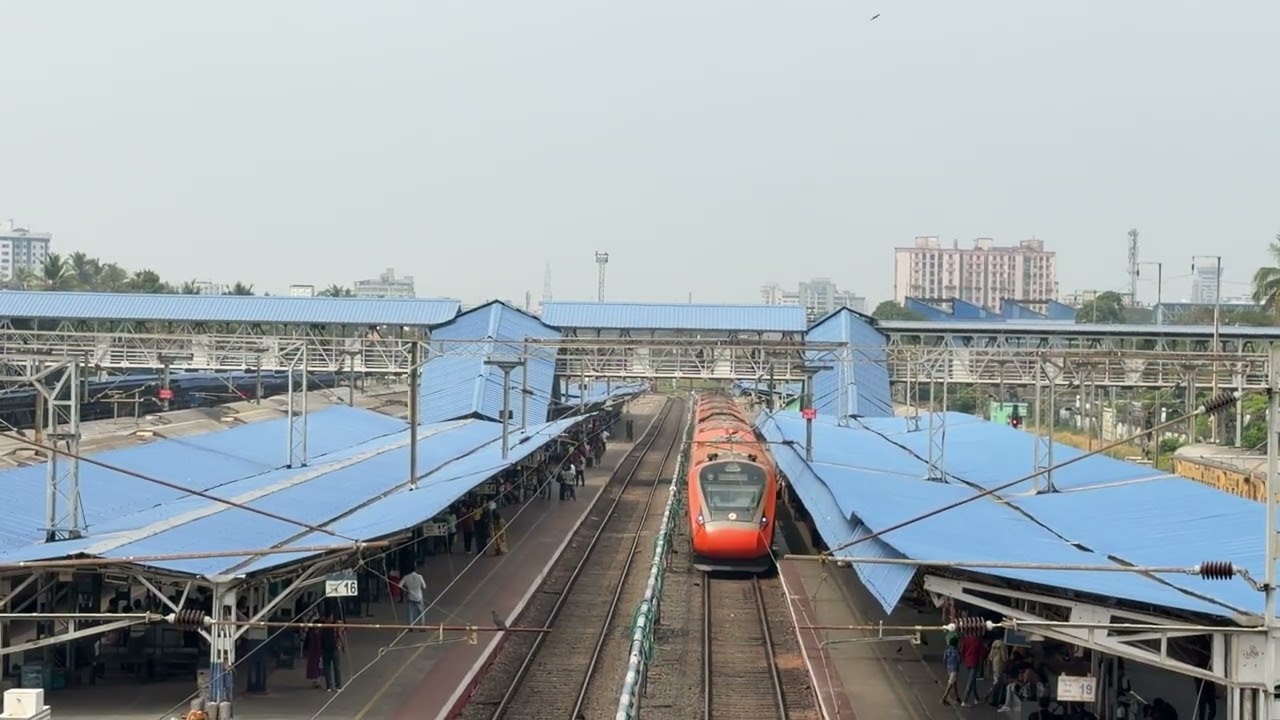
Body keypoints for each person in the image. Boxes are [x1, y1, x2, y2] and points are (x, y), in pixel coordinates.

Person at [319, 614, 344, 692]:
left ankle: (334, 686)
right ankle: (334, 686)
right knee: (332, 668)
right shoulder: (330, 627)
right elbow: (340, 635)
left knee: (332, 668)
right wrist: (343, 645)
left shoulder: (332, 627)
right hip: (329, 649)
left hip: (330, 649)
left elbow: (340, 633)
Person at [940, 634, 960, 705]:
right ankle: (943, 698)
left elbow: (944, 659)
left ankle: (957, 697)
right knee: (950, 684)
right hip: (954, 669)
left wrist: (945, 665)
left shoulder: (947, 650)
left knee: (954, 683)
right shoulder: (956, 651)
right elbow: (959, 660)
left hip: (949, 668)